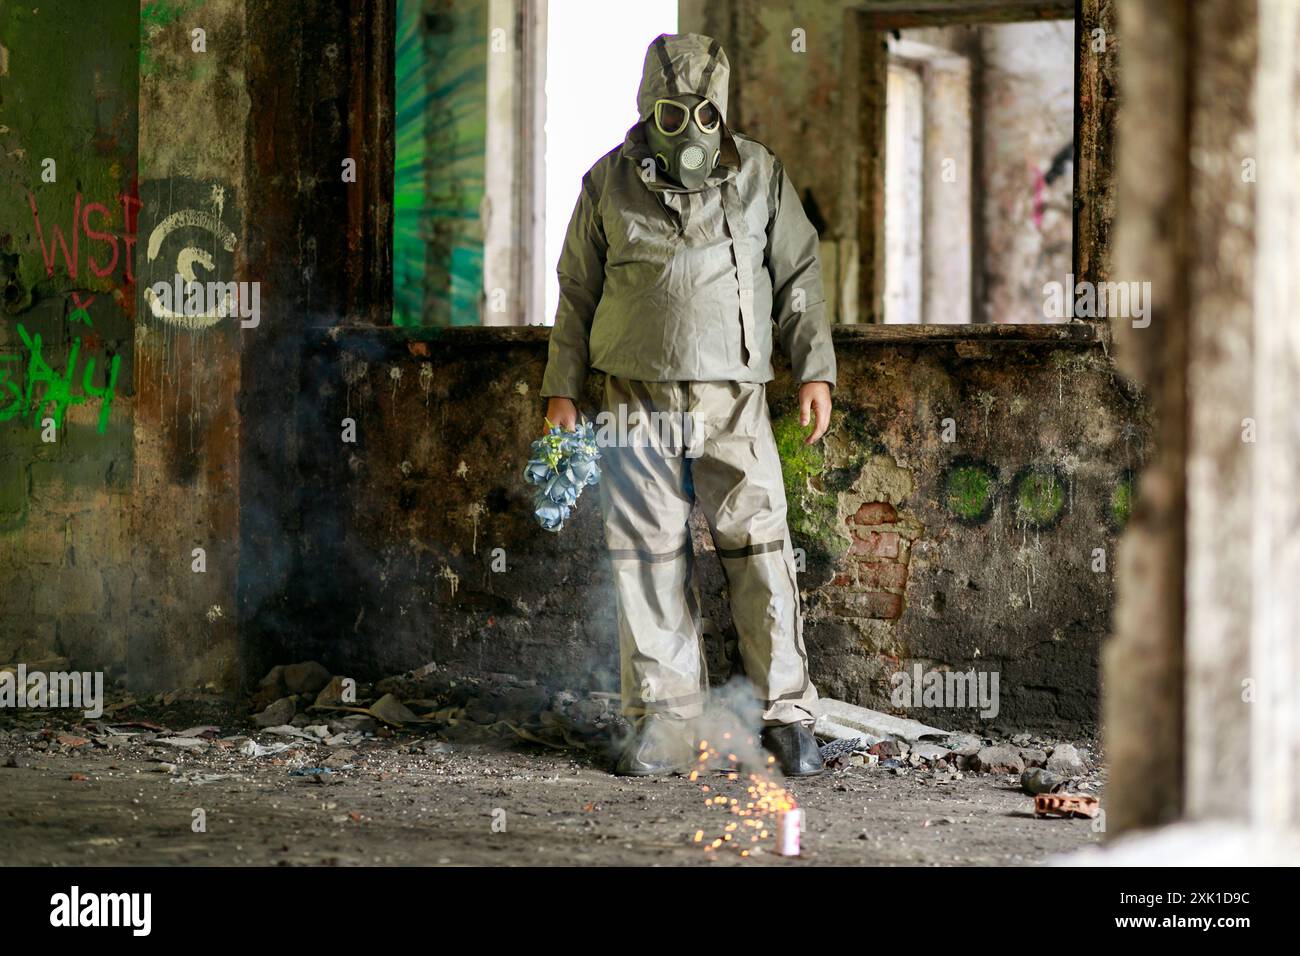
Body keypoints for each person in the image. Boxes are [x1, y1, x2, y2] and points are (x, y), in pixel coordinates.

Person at [540, 33, 836, 777]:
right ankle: (664, 721)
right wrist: (560, 391)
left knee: (759, 543)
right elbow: (576, 293)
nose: (689, 130)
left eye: (703, 113)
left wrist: (814, 370)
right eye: (671, 114)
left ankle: (784, 712)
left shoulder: (760, 174)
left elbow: (799, 274)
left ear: (722, 112)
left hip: (732, 394)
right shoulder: (606, 182)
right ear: (646, 109)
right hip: (632, 393)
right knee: (646, 551)